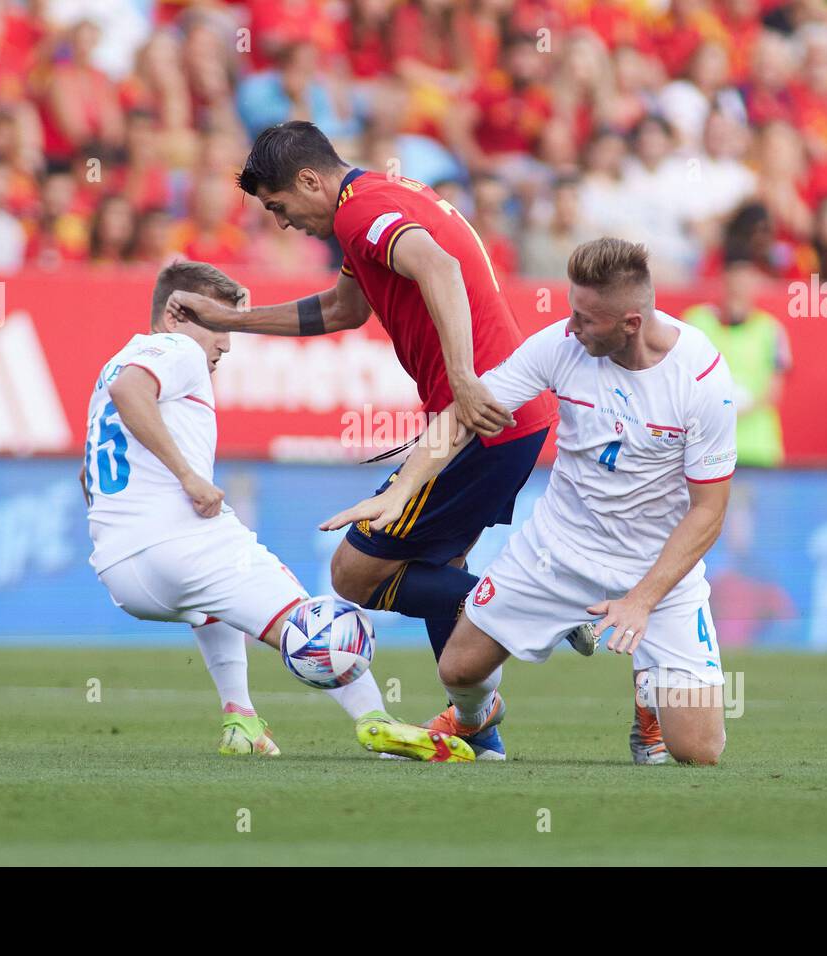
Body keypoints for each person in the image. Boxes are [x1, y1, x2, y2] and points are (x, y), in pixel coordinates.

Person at [165, 121, 561, 761]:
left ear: (309, 180)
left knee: (354, 575)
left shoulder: (363, 212)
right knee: (440, 570)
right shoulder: (376, 200)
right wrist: (233, 318)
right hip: (508, 419)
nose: (283, 222)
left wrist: (462, 378)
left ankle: (539, 605)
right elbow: (342, 311)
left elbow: (439, 266)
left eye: (279, 206)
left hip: (478, 421)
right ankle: (480, 735)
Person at [324, 238, 738, 766]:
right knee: (459, 670)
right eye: (571, 311)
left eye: (586, 319)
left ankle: (649, 701)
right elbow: (464, 415)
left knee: (697, 753)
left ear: (631, 323)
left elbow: (709, 512)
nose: (571, 326)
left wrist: (642, 600)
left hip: (655, 569)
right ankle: (475, 723)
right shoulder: (560, 345)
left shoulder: (701, 380)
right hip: (555, 551)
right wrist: (401, 491)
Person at [84, 260, 471, 761]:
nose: (227, 342)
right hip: (178, 543)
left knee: (212, 606)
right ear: (177, 315)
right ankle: (376, 720)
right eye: (219, 325)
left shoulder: (111, 364)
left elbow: (88, 471)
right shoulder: (175, 348)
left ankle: (240, 719)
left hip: (120, 570)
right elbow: (131, 390)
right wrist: (187, 476)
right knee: (311, 622)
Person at [683, 252, 791, 467]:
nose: (739, 287)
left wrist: (737, 408)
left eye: (746, 280)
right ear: (723, 280)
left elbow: (775, 389)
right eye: (734, 279)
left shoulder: (770, 329)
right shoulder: (696, 322)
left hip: (756, 447)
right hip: (706, 445)